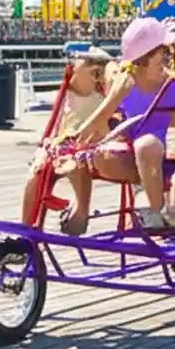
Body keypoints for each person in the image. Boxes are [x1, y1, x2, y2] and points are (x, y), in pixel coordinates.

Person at [62, 17, 175, 229]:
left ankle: (153, 209)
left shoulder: (173, 87)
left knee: (147, 145)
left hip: (155, 155)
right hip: (123, 153)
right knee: (79, 154)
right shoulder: (124, 81)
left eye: (166, 53)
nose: (166, 58)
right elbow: (98, 119)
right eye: (162, 53)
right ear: (143, 60)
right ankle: (78, 213)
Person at [20, 48, 111, 231]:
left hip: (89, 143)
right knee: (36, 174)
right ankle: (26, 228)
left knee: (75, 162)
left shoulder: (104, 96)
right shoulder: (66, 94)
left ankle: (80, 211)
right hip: (65, 142)